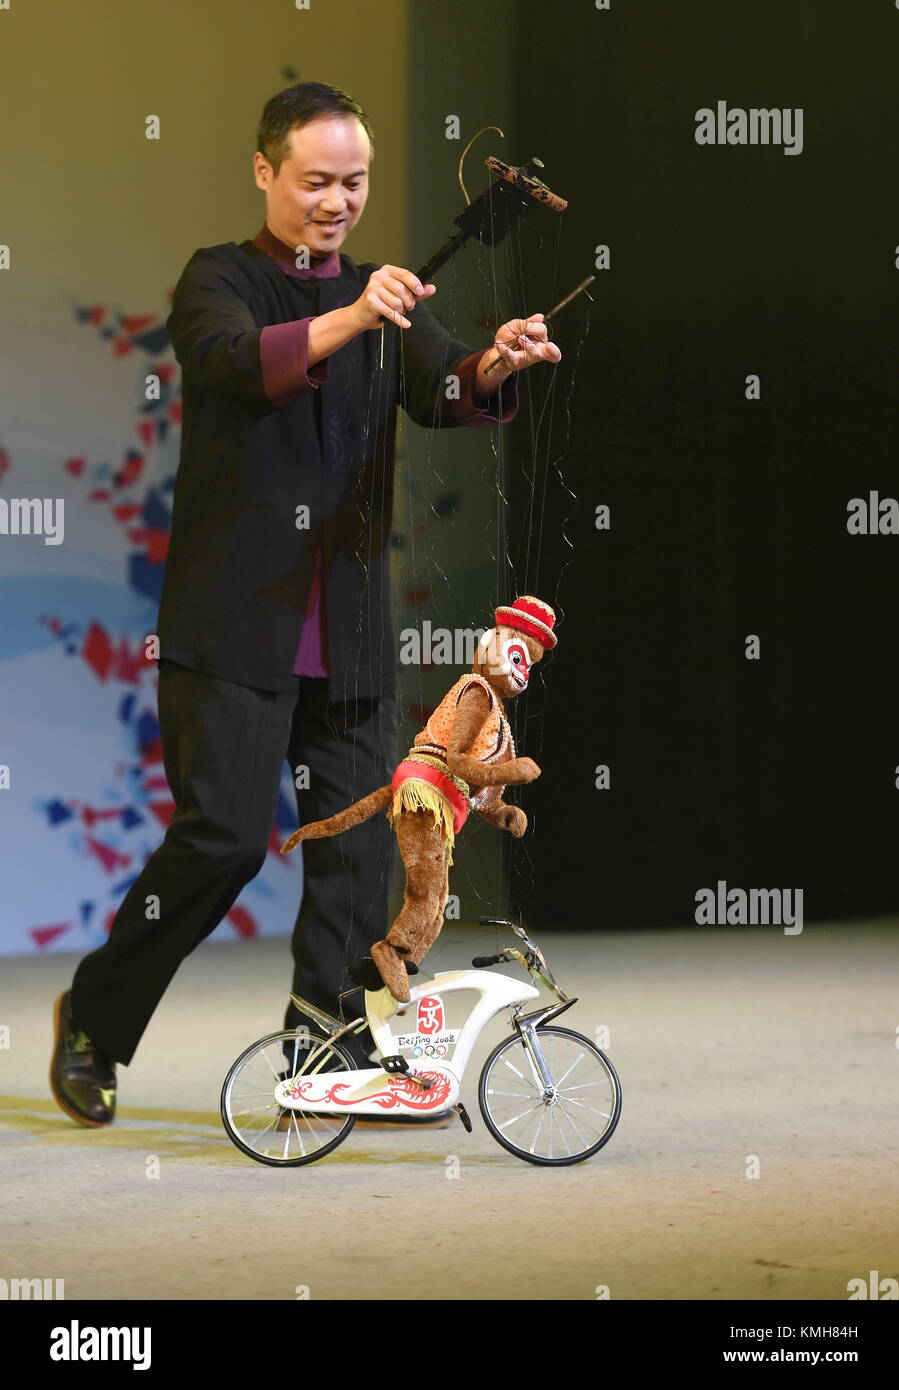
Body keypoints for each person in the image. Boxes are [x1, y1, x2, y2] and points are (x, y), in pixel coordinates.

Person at [50, 81, 561, 1129]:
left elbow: (442, 386)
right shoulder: (220, 278)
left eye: (355, 183)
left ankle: (316, 1048)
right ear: (264, 172)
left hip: (352, 633)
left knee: (357, 850)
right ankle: (95, 1018)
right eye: (316, 180)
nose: (336, 201)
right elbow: (239, 364)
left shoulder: (383, 291)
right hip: (234, 624)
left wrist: (491, 364)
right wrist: (349, 317)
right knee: (222, 839)